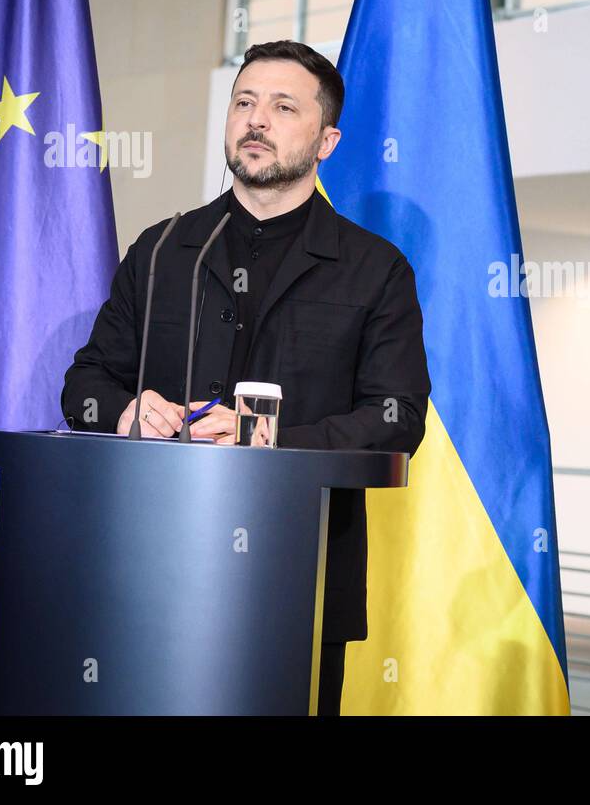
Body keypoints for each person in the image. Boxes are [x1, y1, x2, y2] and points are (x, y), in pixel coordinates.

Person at [61, 39, 430, 714]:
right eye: (244, 102)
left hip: (300, 581)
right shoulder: (164, 248)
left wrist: (268, 436)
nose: (256, 119)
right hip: (153, 568)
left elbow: (398, 420)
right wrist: (123, 413)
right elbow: (84, 384)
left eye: (283, 107)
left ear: (326, 140)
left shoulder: (375, 269)